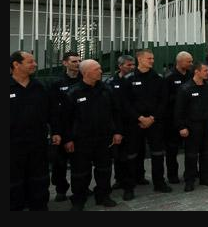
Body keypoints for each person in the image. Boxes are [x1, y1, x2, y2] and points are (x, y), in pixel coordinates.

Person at [62, 59, 122, 210]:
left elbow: (116, 113)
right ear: (86, 73)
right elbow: (65, 118)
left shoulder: (106, 90)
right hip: (81, 140)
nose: (101, 71)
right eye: (97, 69)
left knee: (104, 169)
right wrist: (68, 139)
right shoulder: (74, 92)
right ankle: (78, 200)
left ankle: (103, 196)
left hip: (104, 138)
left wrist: (117, 132)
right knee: (80, 173)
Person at [11, 51, 61, 211]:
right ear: (16, 65)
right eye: (30, 62)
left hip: (37, 143)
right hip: (12, 145)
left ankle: (39, 206)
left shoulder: (41, 87)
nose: (35, 64)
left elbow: (53, 112)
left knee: (39, 178)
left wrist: (56, 132)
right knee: (14, 179)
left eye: (34, 61)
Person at [119, 49, 169, 200]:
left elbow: (163, 101)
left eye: (153, 58)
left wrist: (152, 118)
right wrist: (140, 118)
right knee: (132, 155)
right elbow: (125, 103)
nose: (152, 61)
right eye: (149, 58)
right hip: (135, 124)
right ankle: (129, 187)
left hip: (155, 123)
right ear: (139, 59)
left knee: (158, 153)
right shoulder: (128, 79)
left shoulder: (158, 78)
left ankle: (159, 183)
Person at [174, 62, 208, 191]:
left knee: (207, 153)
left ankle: (205, 177)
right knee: (191, 155)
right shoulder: (185, 88)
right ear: (196, 72)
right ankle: (190, 180)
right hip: (192, 126)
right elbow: (179, 110)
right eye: (205, 70)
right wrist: (181, 127)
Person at [107, 55, 144, 190]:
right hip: (118, 122)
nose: (132, 67)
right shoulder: (111, 81)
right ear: (120, 66)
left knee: (135, 151)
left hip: (133, 121)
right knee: (119, 153)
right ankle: (119, 179)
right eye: (129, 65)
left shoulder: (136, 80)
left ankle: (136, 177)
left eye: (133, 65)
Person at [49, 51, 81, 202]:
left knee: (80, 162)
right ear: (65, 63)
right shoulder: (57, 83)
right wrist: (56, 130)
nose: (77, 64)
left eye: (79, 61)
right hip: (62, 128)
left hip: (80, 128)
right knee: (60, 163)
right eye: (74, 61)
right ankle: (61, 189)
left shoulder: (84, 80)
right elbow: (53, 109)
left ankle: (81, 188)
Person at [163, 51, 192, 185]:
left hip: (189, 118)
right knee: (172, 149)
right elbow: (165, 100)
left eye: (191, 61)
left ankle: (191, 172)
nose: (191, 64)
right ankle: (172, 175)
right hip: (173, 119)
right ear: (179, 62)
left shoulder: (191, 75)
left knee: (190, 148)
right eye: (188, 61)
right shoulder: (169, 77)